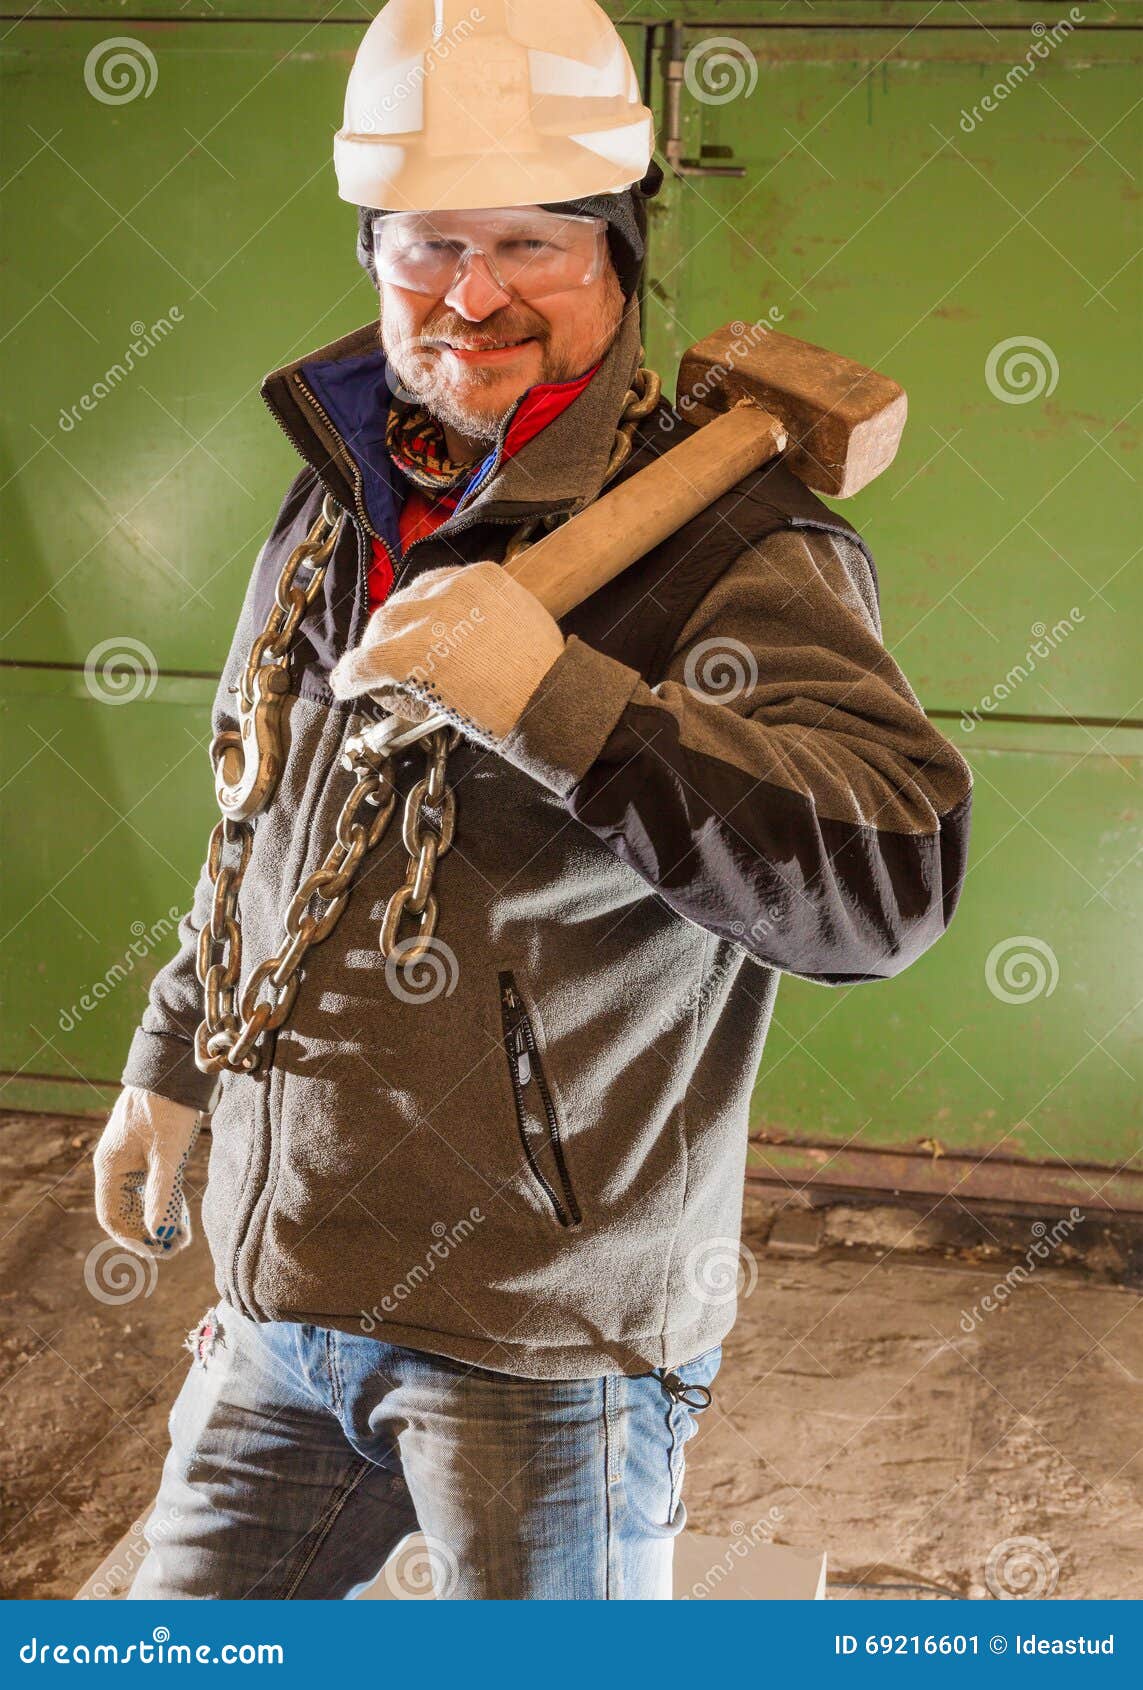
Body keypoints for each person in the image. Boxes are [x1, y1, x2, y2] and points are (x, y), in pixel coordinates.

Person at [93, 0, 973, 1600]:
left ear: (621, 254)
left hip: (546, 1349)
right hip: (280, 1300)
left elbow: (891, 876)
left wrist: (557, 703)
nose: (473, 292)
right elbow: (261, 824)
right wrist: (171, 1056)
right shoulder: (337, 490)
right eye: (429, 243)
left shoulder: (737, 545)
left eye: (531, 244)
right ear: (371, 246)